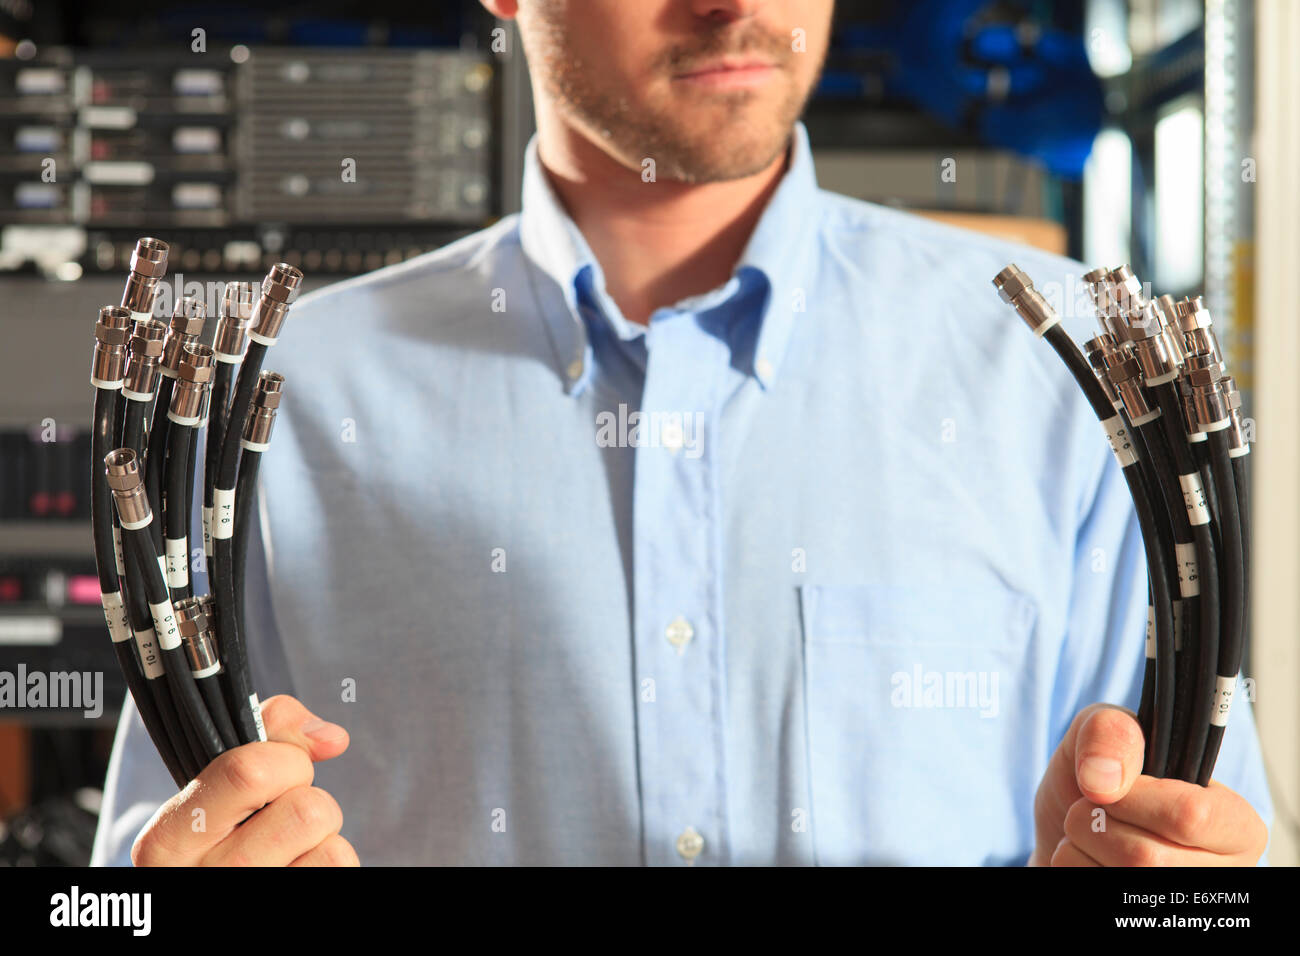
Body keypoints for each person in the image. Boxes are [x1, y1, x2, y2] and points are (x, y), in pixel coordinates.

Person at [92, 0, 1271, 866]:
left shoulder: (1063, 375)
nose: (734, 7)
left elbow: (1224, 861)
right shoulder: (279, 404)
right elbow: (132, 879)